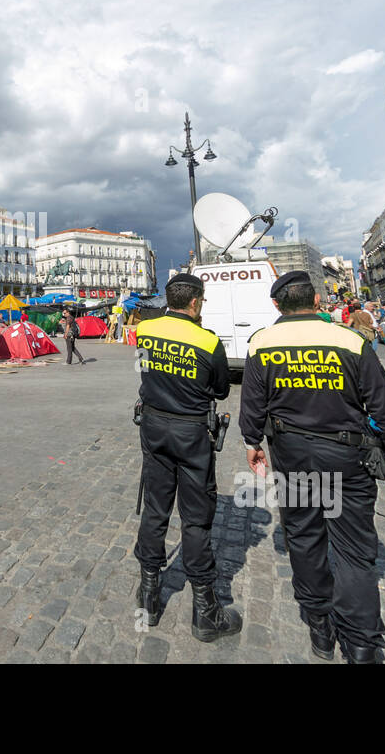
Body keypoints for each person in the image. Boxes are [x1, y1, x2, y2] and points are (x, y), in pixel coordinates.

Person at [239, 271, 385, 663]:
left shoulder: (262, 342)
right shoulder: (349, 340)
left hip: (293, 455)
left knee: (303, 535)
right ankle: (361, 644)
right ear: (317, 301)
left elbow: (252, 404)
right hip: (347, 455)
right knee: (354, 548)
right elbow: (383, 406)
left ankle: (319, 624)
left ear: (276, 306)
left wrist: (252, 442)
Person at [133, 273, 239, 641]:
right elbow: (222, 388)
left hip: (153, 425)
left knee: (155, 507)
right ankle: (205, 610)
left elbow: (144, 369)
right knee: (196, 518)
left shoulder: (146, 330)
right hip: (191, 432)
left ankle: (148, 595)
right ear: (195, 302)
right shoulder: (208, 341)